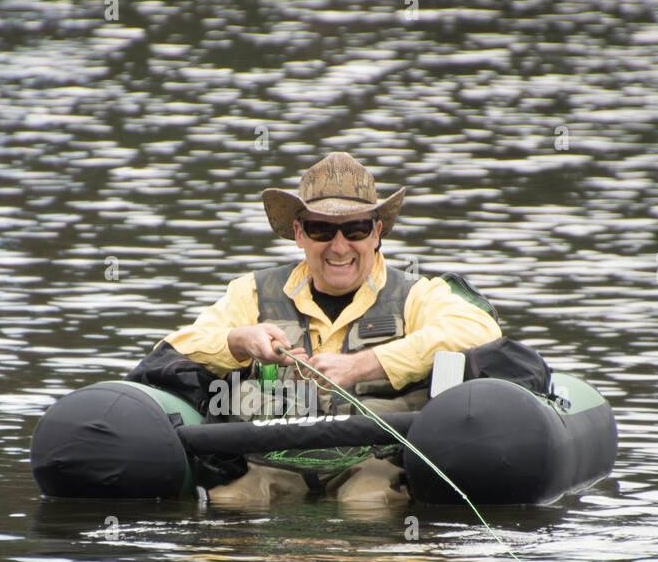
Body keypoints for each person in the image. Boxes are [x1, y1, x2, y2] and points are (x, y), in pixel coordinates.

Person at [131, 152, 502, 505]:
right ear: (299, 233)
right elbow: (178, 348)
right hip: (273, 466)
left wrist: (365, 364)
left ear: (376, 233)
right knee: (230, 502)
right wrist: (238, 341)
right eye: (321, 230)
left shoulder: (417, 294)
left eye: (354, 230)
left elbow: (479, 329)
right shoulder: (250, 293)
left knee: (368, 503)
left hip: (375, 466)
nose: (339, 247)